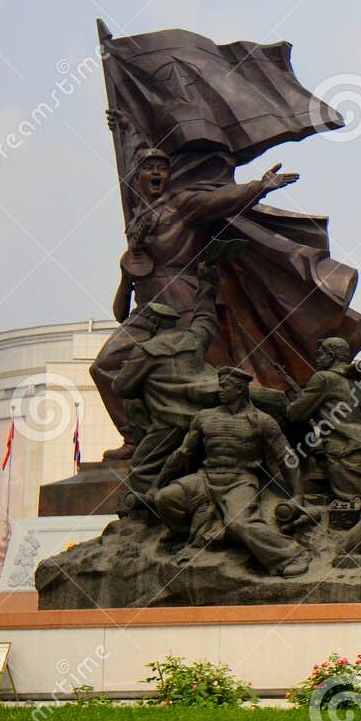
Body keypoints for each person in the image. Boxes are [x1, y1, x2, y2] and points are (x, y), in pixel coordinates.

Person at [90, 134, 301, 460]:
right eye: (150, 168)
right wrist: (125, 128)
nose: (157, 172)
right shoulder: (137, 222)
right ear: (138, 176)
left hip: (185, 304)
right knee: (105, 367)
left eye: (163, 167)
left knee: (206, 378)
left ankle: (247, 439)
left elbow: (220, 201)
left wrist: (259, 186)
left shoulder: (181, 204)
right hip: (147, 310)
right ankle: (137, 439)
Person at [155, 367, 310, 577]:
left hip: (240, 480)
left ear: (239, 389)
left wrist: (298, 496)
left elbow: (287, 459)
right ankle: (201, 536)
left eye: (224, 385)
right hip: (206, 477)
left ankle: (291, 554)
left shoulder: (262, 421)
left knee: (240, 523)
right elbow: (182, 453)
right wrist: (157, 484)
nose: (219, 390)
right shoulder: (204, 417)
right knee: (165, 499)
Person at [109, 264, 221, 512]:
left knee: (141, 470)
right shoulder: (193, 339)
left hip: (172, 424)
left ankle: (153, 519)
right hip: (208, 416)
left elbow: (122, 387)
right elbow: (205, 317)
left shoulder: (146, 351)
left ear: (153, 325)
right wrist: (205, 284)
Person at [283, 336, 361, 502]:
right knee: (307, 487)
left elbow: (294, 415)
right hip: (359, 455)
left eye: (321, 354)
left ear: (331, 356)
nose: (317, 359)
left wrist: (300, 401)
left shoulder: (324, 378)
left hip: (345, 456)